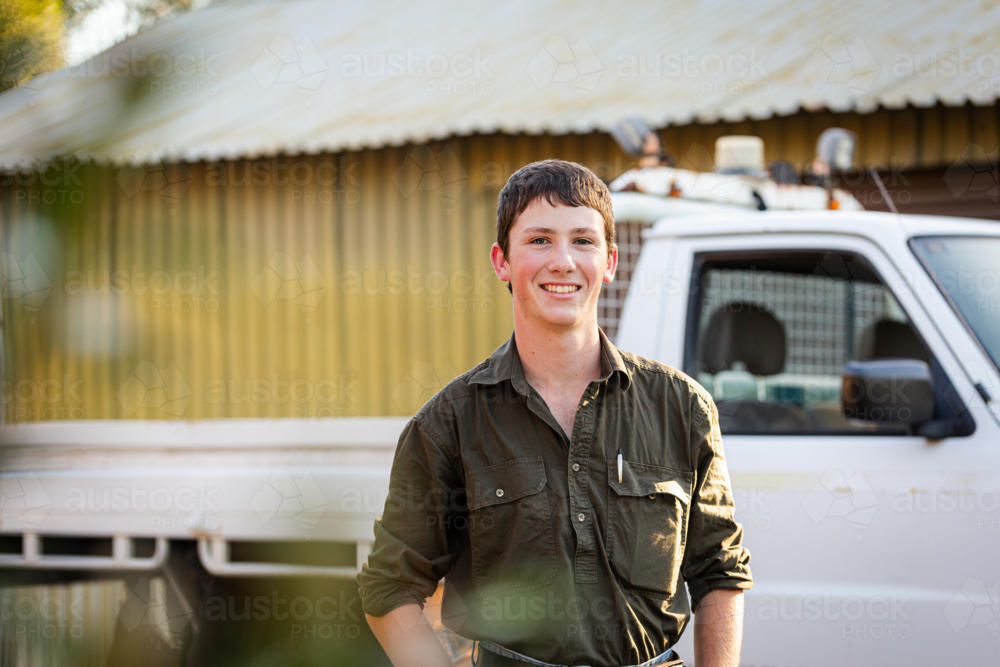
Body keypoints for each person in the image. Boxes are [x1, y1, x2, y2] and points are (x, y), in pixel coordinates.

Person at [358, 160, 752, 667]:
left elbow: (720, 572)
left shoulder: (682, 408)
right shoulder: (448, 425)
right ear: (502, 261)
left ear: (609, 261)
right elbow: (389, 588)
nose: (563, 261)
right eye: (539, 240)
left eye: (583, 241)